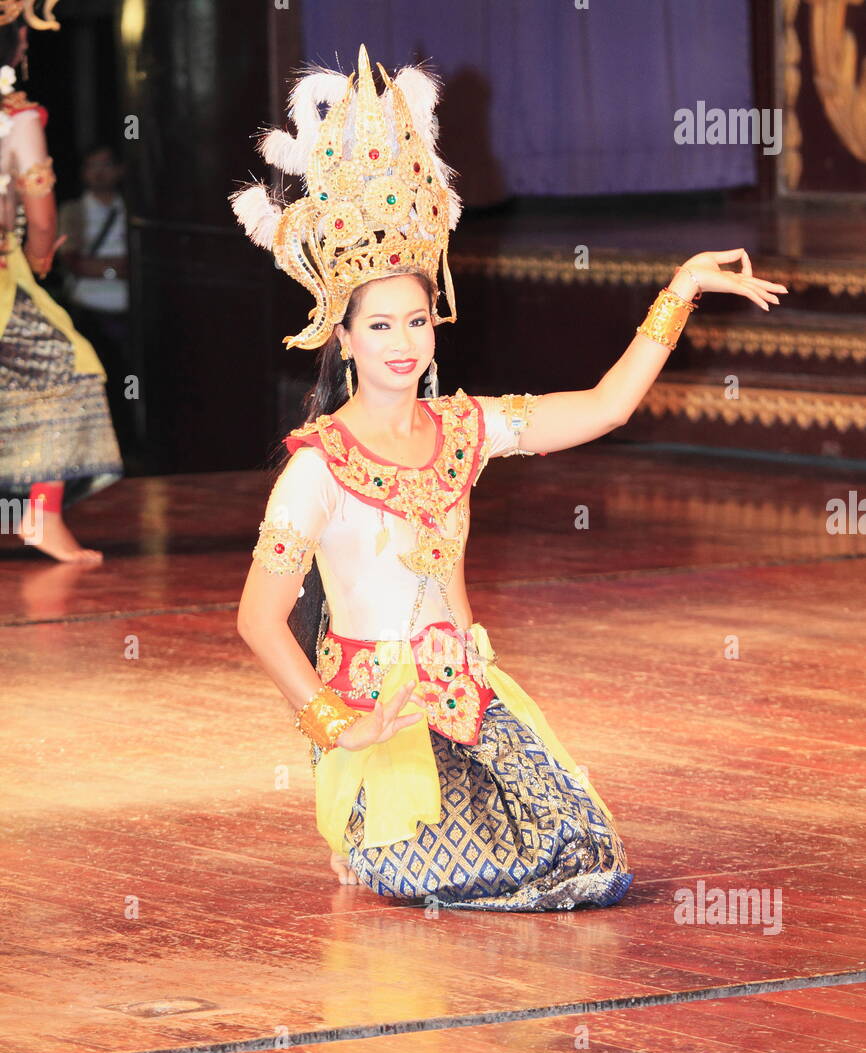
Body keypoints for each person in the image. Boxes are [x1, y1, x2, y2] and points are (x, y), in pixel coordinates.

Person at [232, 45, 787, 912]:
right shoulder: (317, 468)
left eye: (416, 319)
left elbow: (603, 407)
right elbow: (260, 620)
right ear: (341, 337)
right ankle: (361, 830)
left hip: (471, 698)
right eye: (379, 325)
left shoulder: (464, 429)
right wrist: (338, 728)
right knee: (467, 874)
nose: (404, 343)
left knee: (586, 857)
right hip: (381, 718)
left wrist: (678, 291)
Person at [0, 6, 123, 564]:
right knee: (68, 367)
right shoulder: (14, 116)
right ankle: (39, 517)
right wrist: (38, 257)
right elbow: (42, 215)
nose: (26, 40)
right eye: (21, 32)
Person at [58, 143, 130, 441]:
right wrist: (117, 269)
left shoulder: (133, 207)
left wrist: (101, 267)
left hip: (130, 309)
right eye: (92, 166)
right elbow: (74, 262)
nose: (99, 173)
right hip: (89, 309)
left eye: (106, 164)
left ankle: (128, 440)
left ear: (120, 169)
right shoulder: (73, 211)